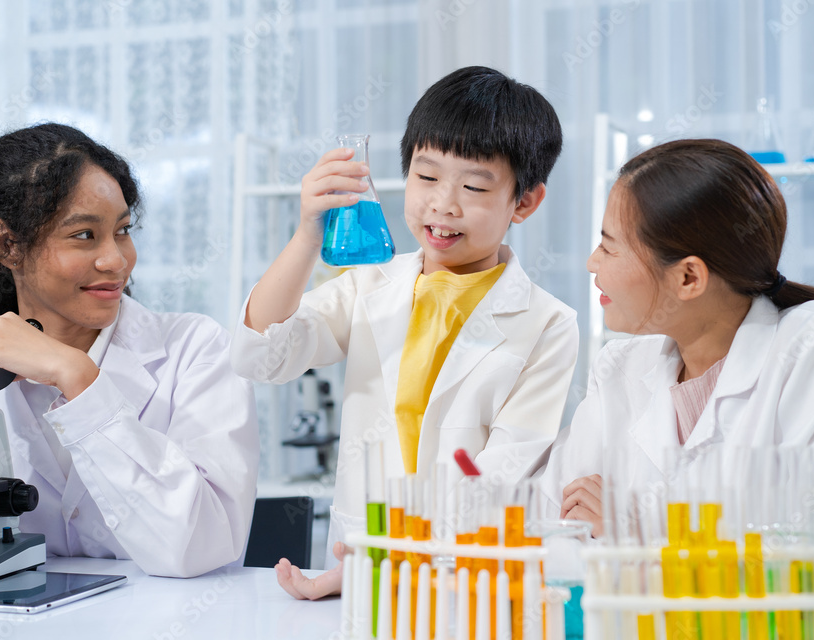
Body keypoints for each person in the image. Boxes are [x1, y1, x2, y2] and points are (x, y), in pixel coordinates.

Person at [230, 65, 579, 599]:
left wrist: (394, 560)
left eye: (475, 186)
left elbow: (500, 476)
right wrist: (307, 233)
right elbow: (262, 357)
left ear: (525, 202)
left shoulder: (549, 324)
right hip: (356, 576)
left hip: (466, 579)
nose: (443, 203)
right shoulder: (370, 284)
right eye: (427, 176)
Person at [0, 123, 259, 578]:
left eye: (122, 230)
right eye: (84, 235)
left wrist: (75, 375)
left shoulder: (195, 350)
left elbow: (199, 546)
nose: (116, 260)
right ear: (7, 244)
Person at [539, 138, 814, 605]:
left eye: (610, 247)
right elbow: (555, 529)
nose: (591, 263)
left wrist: (640, 539)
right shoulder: (623, 366)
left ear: (688, 278)